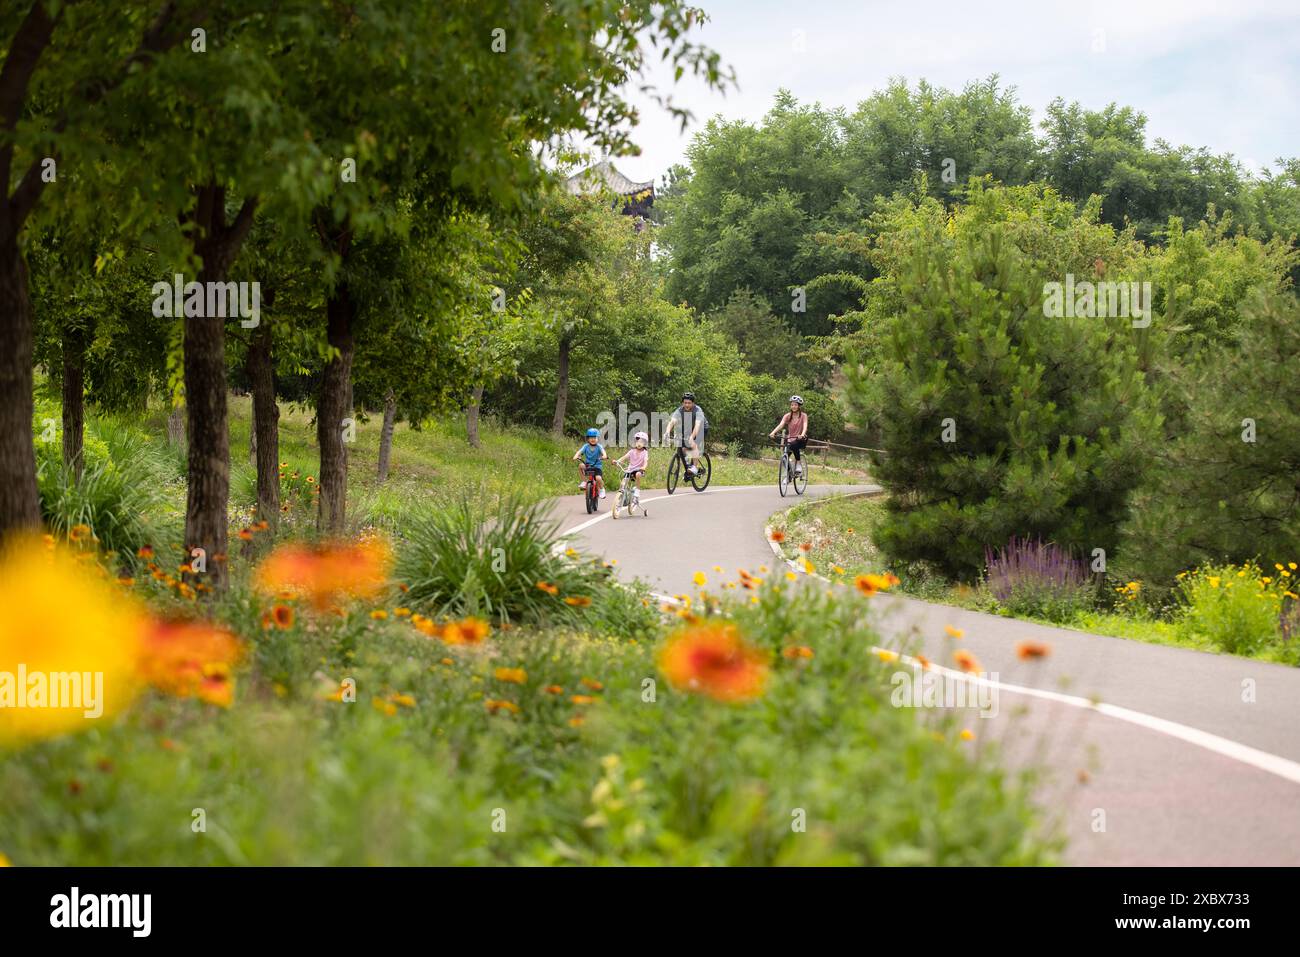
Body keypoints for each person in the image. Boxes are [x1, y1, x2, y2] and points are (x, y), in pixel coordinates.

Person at [662, 392, 708, 475]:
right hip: (689, 427)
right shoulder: (679, 410)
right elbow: (672, 422)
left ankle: (694, 467)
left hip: (701, 428)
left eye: (689, 403)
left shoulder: (698, 410)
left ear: (693, 403)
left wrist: (692, 437)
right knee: (682, 447)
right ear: (682, 403)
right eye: (685, 403)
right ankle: (688, 461)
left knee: (693, 443)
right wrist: (667, 432)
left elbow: (697, 426)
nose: (687, 405)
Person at [769, 395, 809, 475]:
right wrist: (773, 432)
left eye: (795, 405)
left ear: (799, 406)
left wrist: (802, 434)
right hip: (790, 438)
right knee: (784, 458)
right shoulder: (787, 416)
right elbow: (781, 425)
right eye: (792, 405)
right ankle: (789, 475)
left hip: (801, 439)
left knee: (794, 445)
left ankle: (798, 463)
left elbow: (805, 425)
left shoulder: (803, 416)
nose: (793, 406)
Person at [614, 431, 650, 503]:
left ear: (645, 444)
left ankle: (637, 491)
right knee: (623, 482)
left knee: (638, 474)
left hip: (639, 470)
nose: (639, 444)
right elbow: (624, 457)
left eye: (641, 442)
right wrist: (617, 461)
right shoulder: (632, 451)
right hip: (630, 470)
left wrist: (643, 468)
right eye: (637, 442)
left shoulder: (645, 452)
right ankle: (623, 495)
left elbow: (646, 462)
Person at [573, 427, 607, 499]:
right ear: (588, 439)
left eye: (594, 437)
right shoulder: (586, 446)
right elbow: (579, 451)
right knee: (581, 465)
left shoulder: (599, 446)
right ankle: (584, 481)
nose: (593, 439)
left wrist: (604, 456)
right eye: (591, 437)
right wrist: (576, 456)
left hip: (597, 466)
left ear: (597, 438)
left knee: (598, 478)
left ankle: (601, 489)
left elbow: (604, 453)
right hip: (588, 465)